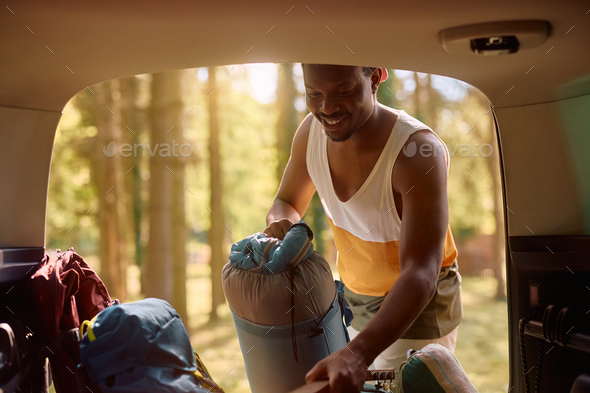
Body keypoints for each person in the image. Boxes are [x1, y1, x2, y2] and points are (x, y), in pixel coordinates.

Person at [263, 64, 462, 393]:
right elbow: (286, 201)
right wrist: (281, 224)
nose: (326, 108)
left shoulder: (418, 152)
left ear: (375, 78)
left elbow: (421, 271)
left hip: (417, 304)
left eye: (343, 91)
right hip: (357, 299)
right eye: (315, 94)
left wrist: (357, 353)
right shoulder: (310, 132)